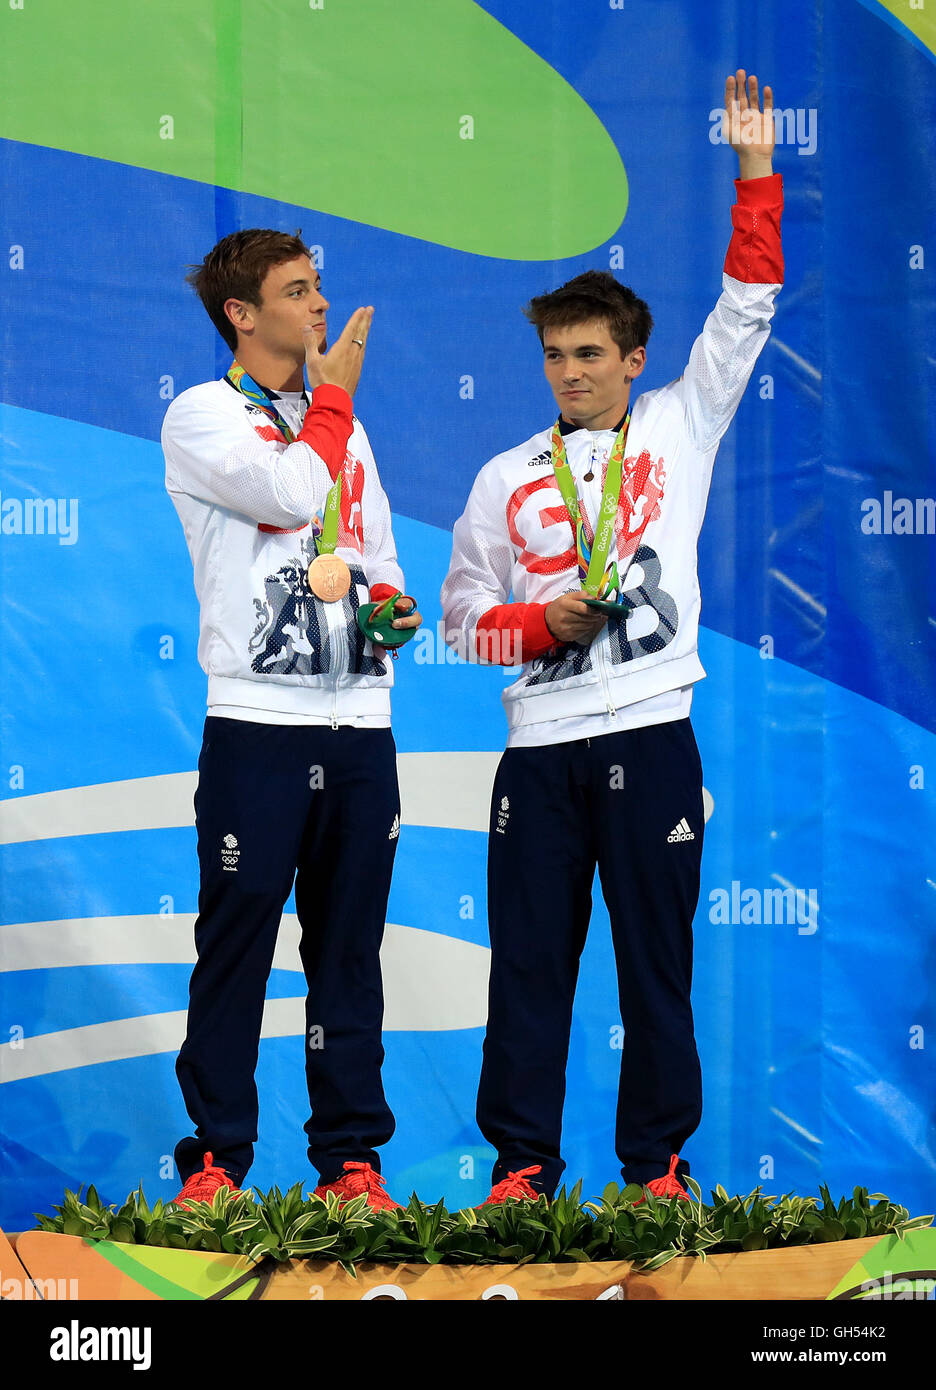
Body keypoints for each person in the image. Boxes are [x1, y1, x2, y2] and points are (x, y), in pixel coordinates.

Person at [441, 72, 783, 1204]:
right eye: (555, 356)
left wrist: (752, 171)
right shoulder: (503, 477)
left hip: (650, 729)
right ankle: (522, 1170)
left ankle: (658, 1172)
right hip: (538, 750)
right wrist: (542, 622)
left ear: (634, 359)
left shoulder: (685, 423)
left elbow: (746, 307)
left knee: (656, 968)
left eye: (590, 354)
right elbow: (460, 629)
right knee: (529, 970)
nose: (570, 373)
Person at [161, 228, 420, 1211]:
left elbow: (376, 547)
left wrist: (390, 605)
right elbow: (285, 492)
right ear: (241, 313)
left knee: (347, 948)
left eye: (319, 288)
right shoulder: (201, 416)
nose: (319, 307)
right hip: (259, 725)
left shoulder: (344, 428)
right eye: (297, 291)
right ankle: (219, 1156)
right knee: (239, 938)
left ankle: (351, 1159)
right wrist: (335, 404)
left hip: (360, 723)